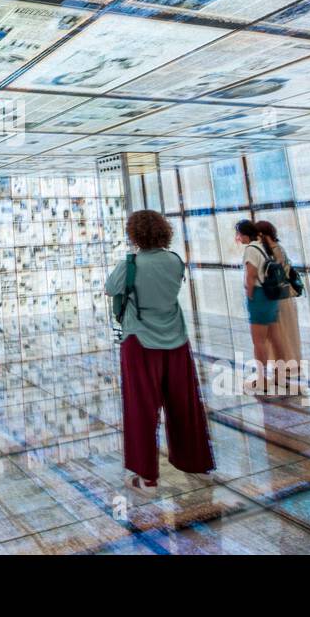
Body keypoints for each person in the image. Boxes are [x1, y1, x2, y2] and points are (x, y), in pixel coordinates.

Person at [105, 210, 213, 492]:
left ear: (134, 234)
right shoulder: (175, 260)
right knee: (185, 404)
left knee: (141, 408)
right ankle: (197, 464)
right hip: (176, 338)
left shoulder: (130, 265)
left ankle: (147, 475)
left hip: (140, 341)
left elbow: (110, 288)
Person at [235, 220, 293, 393]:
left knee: (258, 341)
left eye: (238, 234)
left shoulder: (251, 249)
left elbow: (251, 275)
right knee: (275, 337)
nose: (238, 238)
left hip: (260, 296)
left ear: (244, 234)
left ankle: (262, 379)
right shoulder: (263, 247)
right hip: (270, 296)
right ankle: (281, 377)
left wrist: (249, 293)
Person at [254, 220, 301, 364]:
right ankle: (288, 362)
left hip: (276, 297)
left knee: (279, 333)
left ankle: (283, 363)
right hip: (283, 296)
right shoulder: (278, 248)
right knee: (286, 331)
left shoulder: (272, 251)